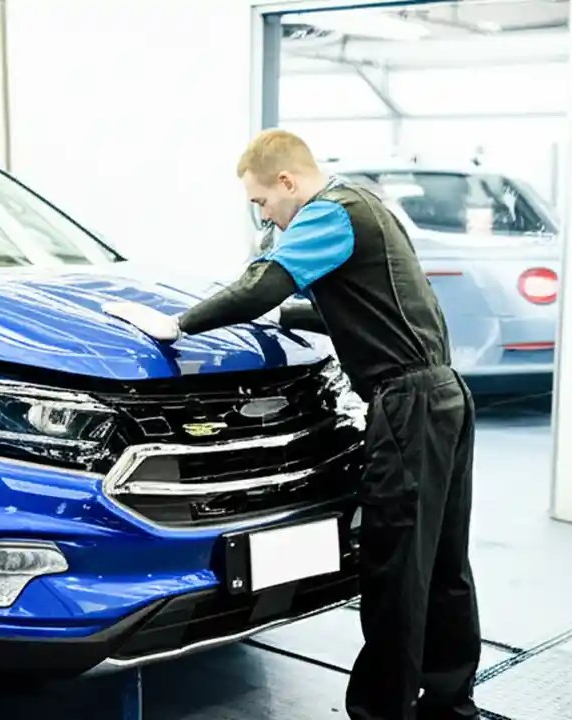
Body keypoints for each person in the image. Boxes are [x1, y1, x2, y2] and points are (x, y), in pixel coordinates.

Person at [102, 129, 481, 720]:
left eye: (261, 202)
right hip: (444, 395)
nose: (264, 215)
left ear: (287, 182)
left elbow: (264, 282)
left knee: (396, 568)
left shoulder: (328, 212)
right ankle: (451, 702)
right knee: (444, 564)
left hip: (408, 408)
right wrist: (290, 314)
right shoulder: (367, 204)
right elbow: (372, 303)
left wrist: (178, 324)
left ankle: (383, 712)